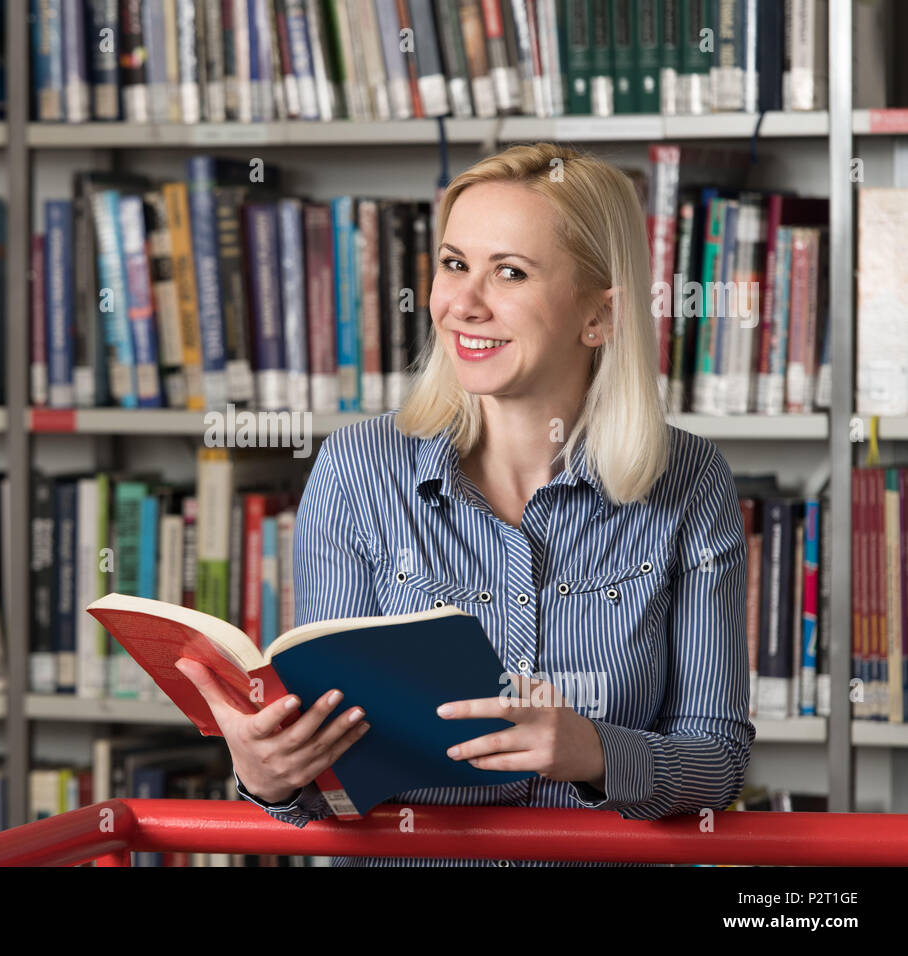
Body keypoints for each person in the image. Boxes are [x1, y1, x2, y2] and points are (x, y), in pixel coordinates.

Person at [175, 142, 755, 866]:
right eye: (454, 264)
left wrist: (594, 751)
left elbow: (719, 763)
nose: (462, 304)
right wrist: (269, 774)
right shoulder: (359, 470)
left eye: (509, 272)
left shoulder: (690, 479)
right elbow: (330, 785)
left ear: (599, 316)